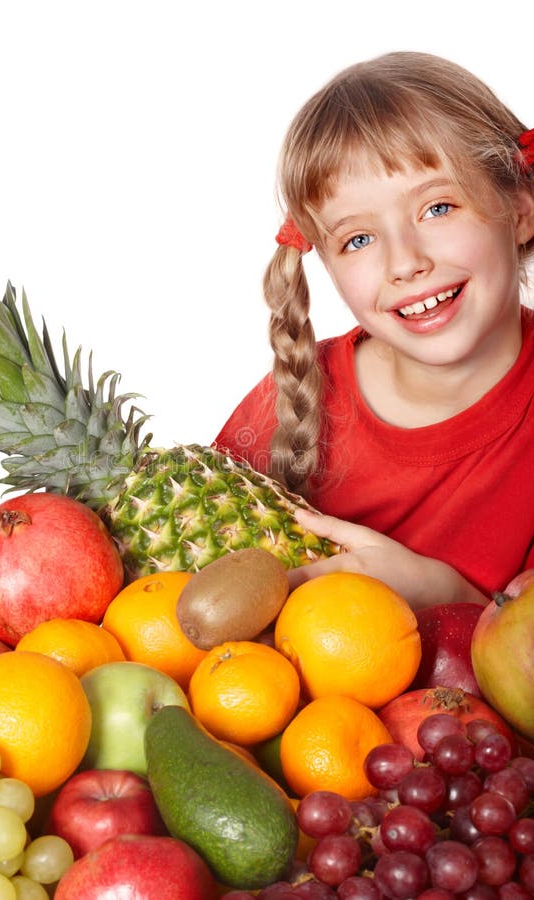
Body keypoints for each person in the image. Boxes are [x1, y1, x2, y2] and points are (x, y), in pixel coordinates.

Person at [214, 51, 534, 609]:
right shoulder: (293, 401)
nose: (405, 263)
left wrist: (437, 593)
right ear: (329, 267)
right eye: (358, 239)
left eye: (437, 207)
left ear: (521, 208)